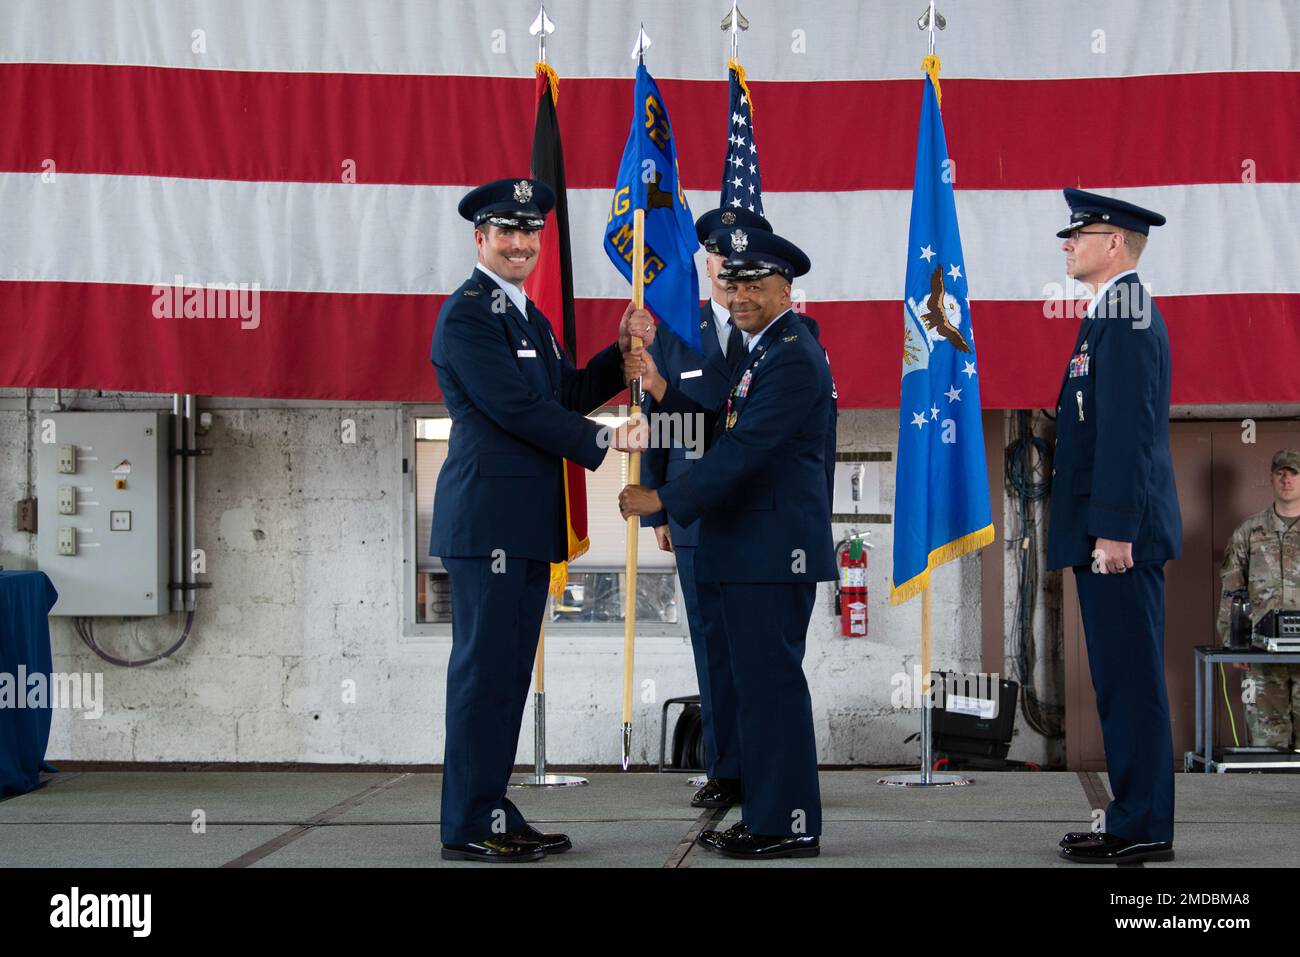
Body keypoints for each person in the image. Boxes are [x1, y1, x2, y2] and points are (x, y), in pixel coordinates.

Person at [429, 177, 654, 863]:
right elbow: (515, 409)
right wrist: (606, 440)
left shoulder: (527, 315)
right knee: (485, 676)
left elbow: (562, 393)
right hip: (488, 522)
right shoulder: (470, 315)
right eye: (507, 231)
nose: (521, 242)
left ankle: (490, 808)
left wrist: (619, 357)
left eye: (531, 232)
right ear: (480, 238)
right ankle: (469, 821)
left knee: (503, 677)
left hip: (525, 523)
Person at [617, 227, 836, 859]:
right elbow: (718, 426)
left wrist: (663, 499)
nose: (740, 295)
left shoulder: (793, 353)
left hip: (771, 552)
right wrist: (660, 390)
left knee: (771, 690)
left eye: (755, 283)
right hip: (749, 548)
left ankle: (788, 824)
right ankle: (769, 815)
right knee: (758, 690)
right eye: (733, 282)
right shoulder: (762, 350)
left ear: (785, 286)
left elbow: (744, 451)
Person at [1045, 189, 1182, 864]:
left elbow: (1127, 433)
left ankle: (1144, 824)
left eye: (1080, 232)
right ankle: (1133, 816)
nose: (1067, 243)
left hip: (1119, 536)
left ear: (1117, 243)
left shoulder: (1125, 317)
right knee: (1119, 681)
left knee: (1131, 682)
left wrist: (1116, 531)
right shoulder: (1106, 316)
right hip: (1104, 529)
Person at [1217, 449, 1300, 747]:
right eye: (1281, 473)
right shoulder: (1250, 532)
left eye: (1293, 473)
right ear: (1271, 479)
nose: (1287, 479)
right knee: (1268, 744)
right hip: (1262, 651)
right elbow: (1232, 589)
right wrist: (1234, 643)